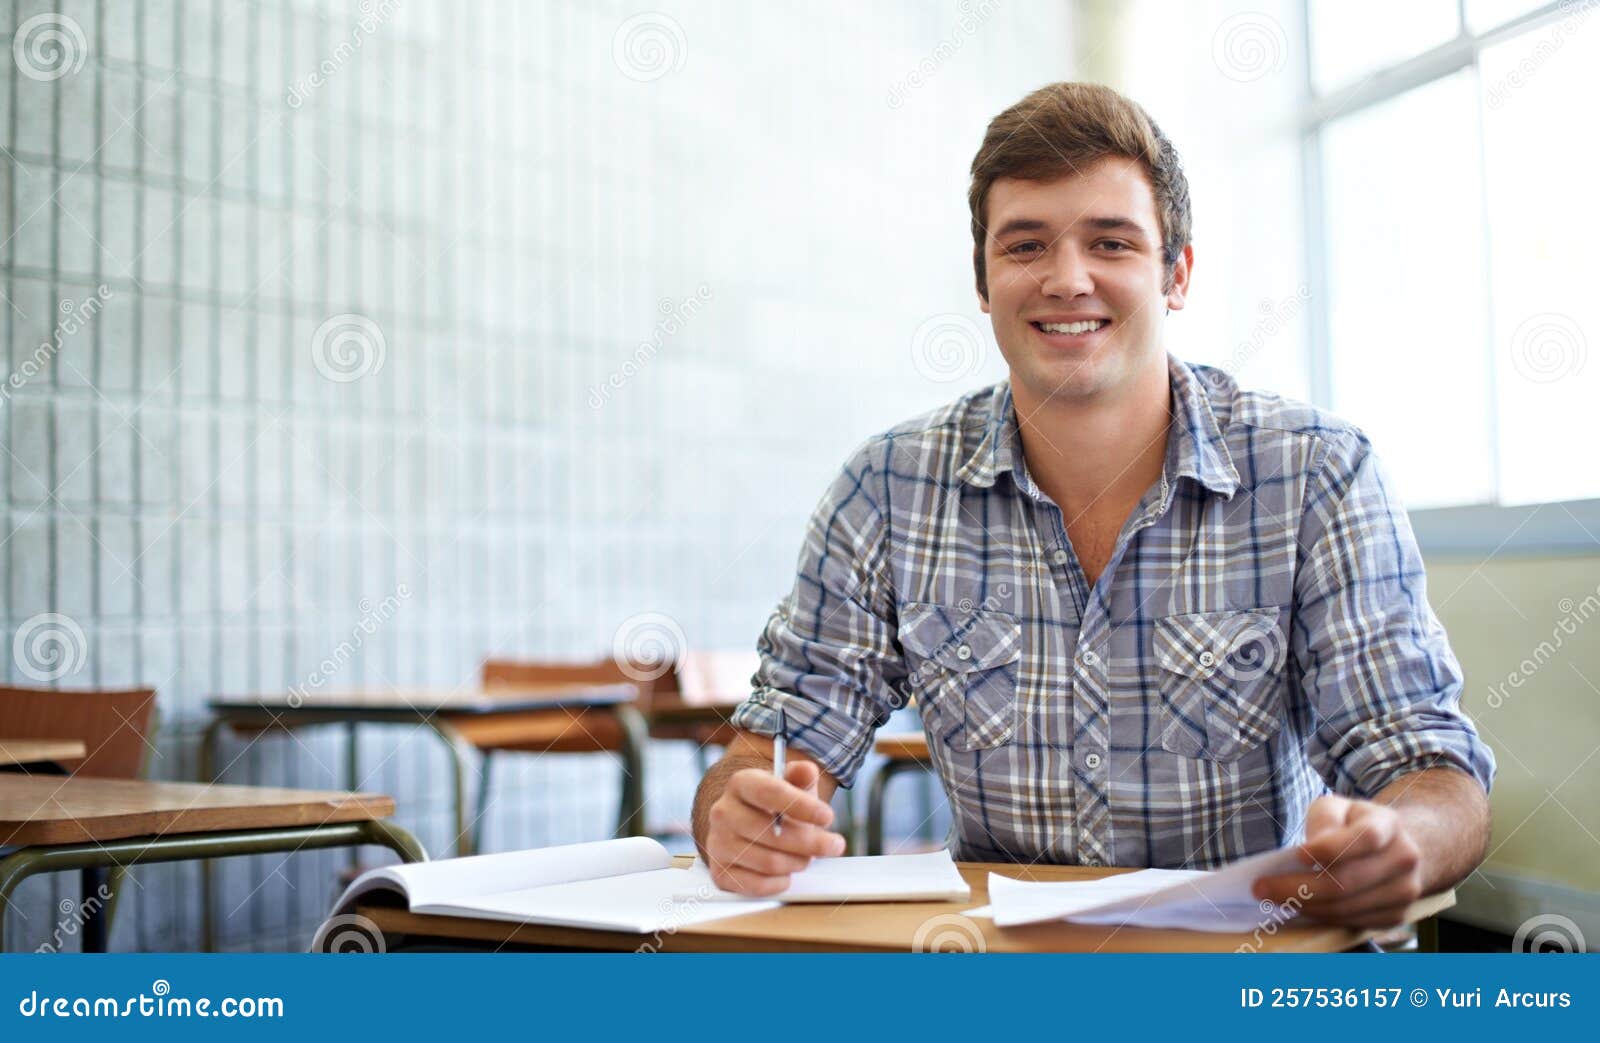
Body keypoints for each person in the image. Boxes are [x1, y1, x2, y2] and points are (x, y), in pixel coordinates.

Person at [691, 82, 1493, 928]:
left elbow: (1431, 768)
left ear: (1175, 274)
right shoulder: (885, 489)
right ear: (983, 279)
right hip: (1002, 975)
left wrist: (1398, 835)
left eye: (1110, 242)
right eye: (1026, 245)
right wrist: (735, 817)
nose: (1067, 280)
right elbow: (773, 746)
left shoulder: (1317, 474)